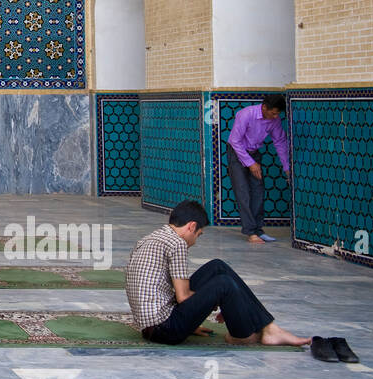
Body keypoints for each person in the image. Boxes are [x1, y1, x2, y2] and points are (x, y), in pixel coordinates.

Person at [126, 200, 310, 347]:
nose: (195, 242)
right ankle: (241, 335)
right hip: (165, 330)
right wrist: (216, 299)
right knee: (223, 284)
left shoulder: (150, 238)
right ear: (191, 226)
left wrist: (219, 302)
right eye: (198, 235)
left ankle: (269, 327)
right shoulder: (177, 243)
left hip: (151, 326)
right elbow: (183, 297)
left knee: (217, 266)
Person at [227, 94, 291, 243]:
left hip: (254, 153)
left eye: (278, 114)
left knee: (258, 190)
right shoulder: (246, 114)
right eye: (273, 112)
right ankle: (250, 232)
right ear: (264, 107)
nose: (275, 116)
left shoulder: (274, 120)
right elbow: (235, 141)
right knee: (243, 192)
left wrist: (286, 166)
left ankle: (258, 229)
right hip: (237, 153)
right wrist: (250, 164)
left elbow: (280, 142)